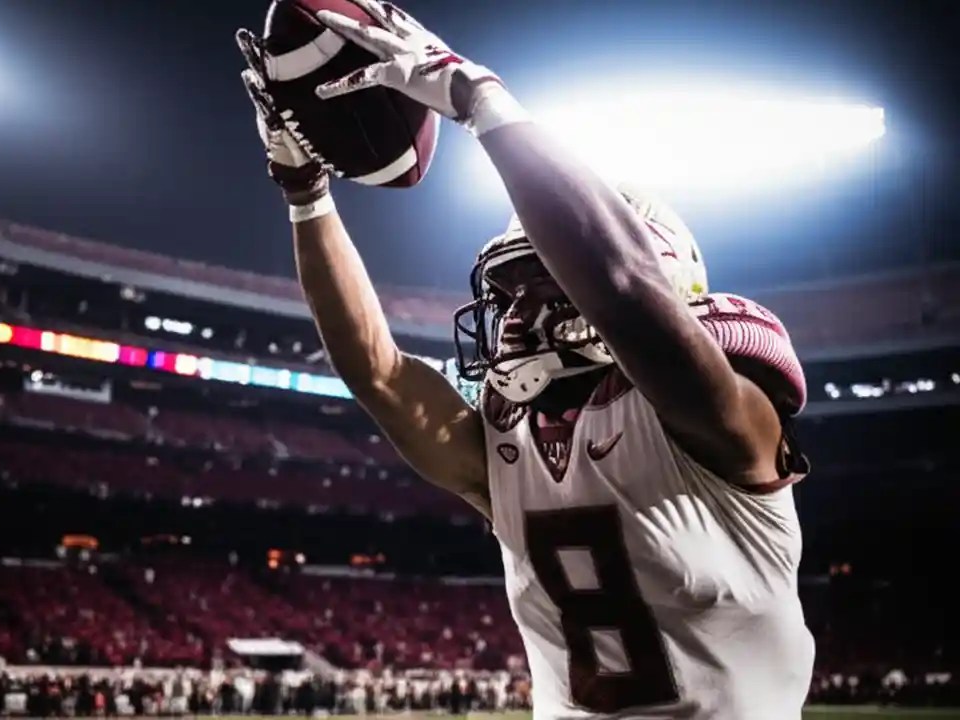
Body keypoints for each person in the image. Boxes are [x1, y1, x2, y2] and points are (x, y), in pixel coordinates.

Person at [236, 2, 815, 718]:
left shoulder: (727, 419)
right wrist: (305, 196)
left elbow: (625, 292)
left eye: (537, 284)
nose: (509, 315)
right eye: (503, 294)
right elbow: (380, 373)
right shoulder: (511, 446)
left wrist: (479, 99)